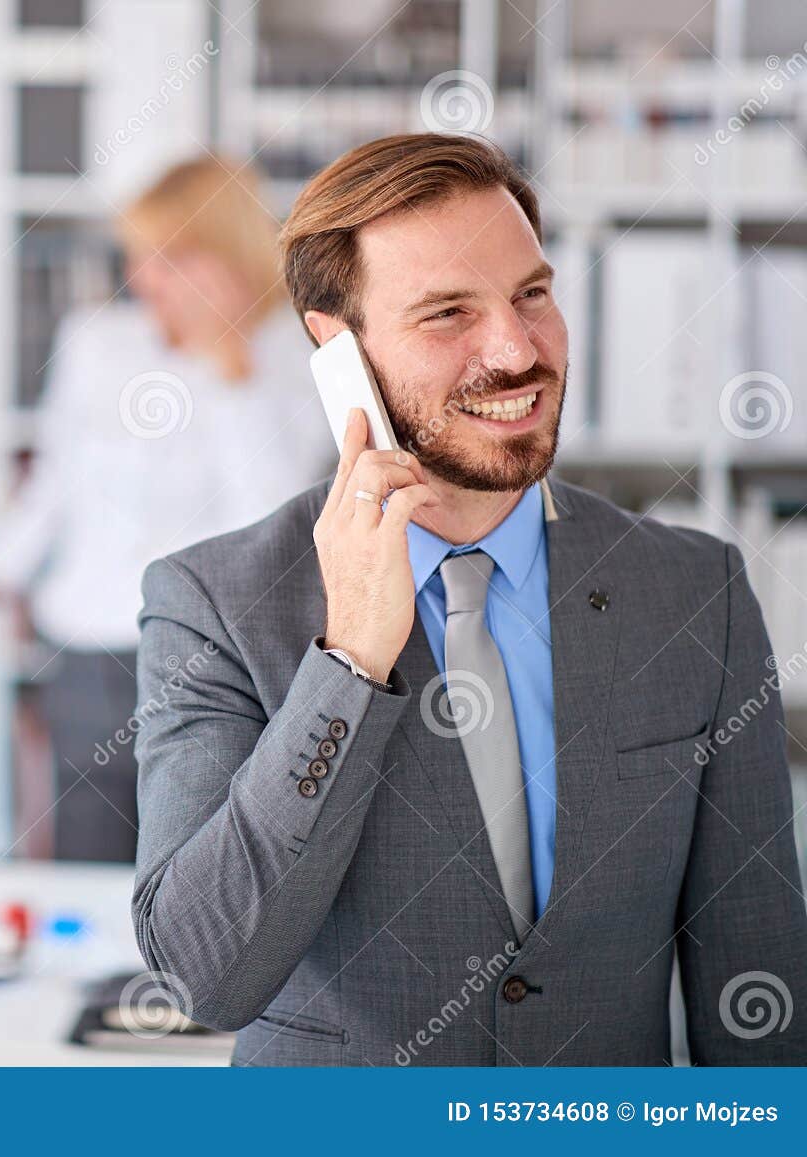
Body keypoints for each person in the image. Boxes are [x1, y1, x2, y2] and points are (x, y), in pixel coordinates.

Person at [131, 133, 807, 1065]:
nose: (517, 349)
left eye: (532, 295)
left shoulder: (696, 592)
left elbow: (760, 990)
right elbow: (207, 977)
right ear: (338, 351)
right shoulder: (212, 602)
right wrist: (349, 660)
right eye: (448, 312)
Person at [0, 154, 331, 863]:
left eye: (171, 259)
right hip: (88, 652)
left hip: (213, 658)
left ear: (228, 254)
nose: (144, 280)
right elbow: (52, 491)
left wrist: (228, 360)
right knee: (88, 866)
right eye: (139, 257)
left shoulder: (296, 354)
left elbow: (277, 522)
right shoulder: (96, 343)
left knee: (200, 868)